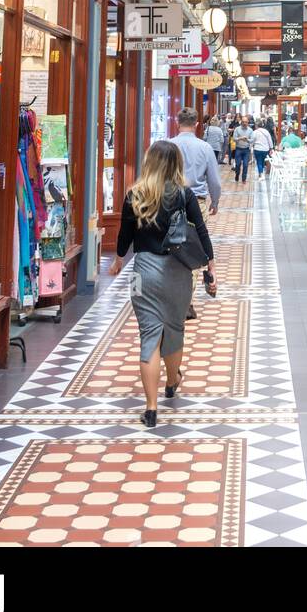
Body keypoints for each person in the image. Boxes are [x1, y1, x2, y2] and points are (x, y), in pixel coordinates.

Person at [111, 140, 216, 428]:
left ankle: (151, 407)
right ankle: (172, 381)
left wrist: (119, 260)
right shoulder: (185, 195)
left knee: (148, 334)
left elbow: (124, 236)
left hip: (141, 273)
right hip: (178, 272)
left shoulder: (135, 194)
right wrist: (211, 264)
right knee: (174, 326)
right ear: (176, 165)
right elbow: (201, 231)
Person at [170, 107, 221, 320]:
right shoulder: (205, 148)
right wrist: (215, 201)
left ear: (177, 123)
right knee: (192, 248)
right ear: (197, 124)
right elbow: (215, 182)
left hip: (169, 202)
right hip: (197, 204)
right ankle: (186, 302)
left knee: (170, 246)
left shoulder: (168, 145)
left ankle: (171, 297)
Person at [233, 115, 252, 183]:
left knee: (245, 165)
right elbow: (234, 139)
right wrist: (240, 138)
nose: (244, 123)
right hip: (238, 149)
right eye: (243, 122)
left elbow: (252, 140)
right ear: (241, 122)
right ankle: (237, 174)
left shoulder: (250, 130)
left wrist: (247, 140)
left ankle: (244, 179)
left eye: (246, 122)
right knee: (237, 164)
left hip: (246, 149)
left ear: (248, 122)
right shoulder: (237, 129)